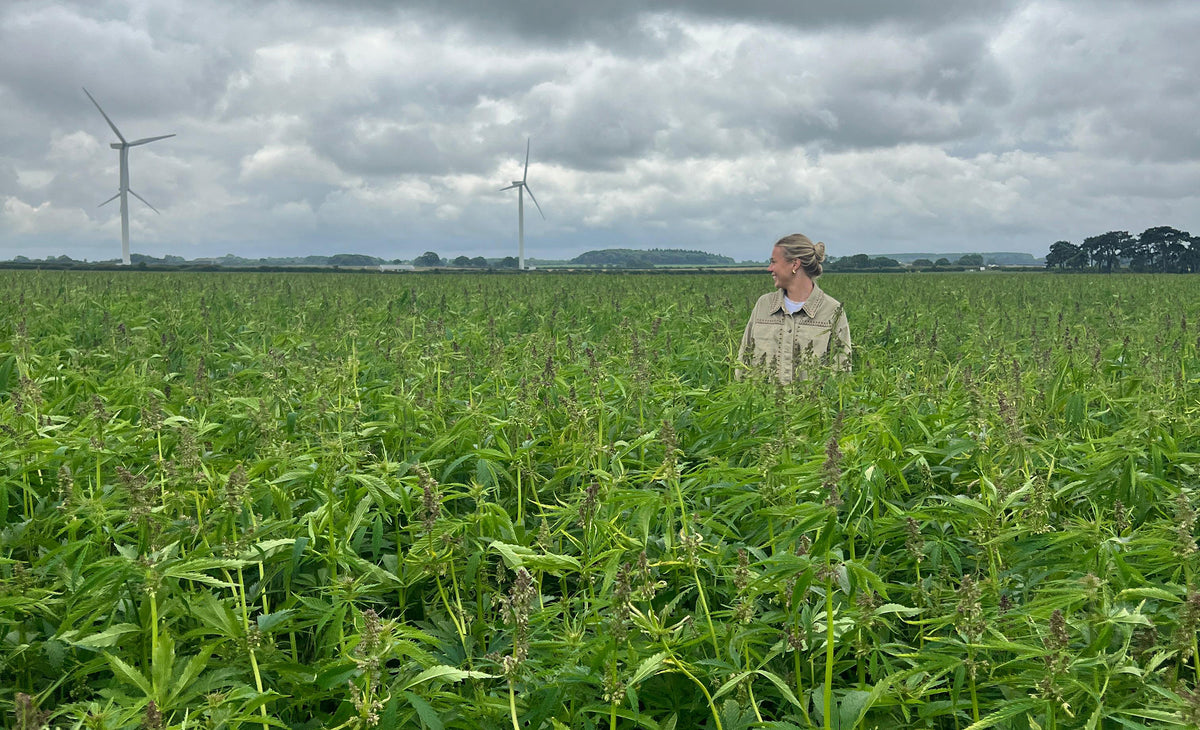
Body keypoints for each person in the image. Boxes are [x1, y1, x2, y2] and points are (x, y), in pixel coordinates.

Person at [736, 234, 851, 383]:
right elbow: (743, 362)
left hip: (810, 406)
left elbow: (841, 373)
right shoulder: (763, 305)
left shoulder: (832, 310)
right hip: (764, 405)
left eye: (774, 262)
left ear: (795, 264)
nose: (769, 268)